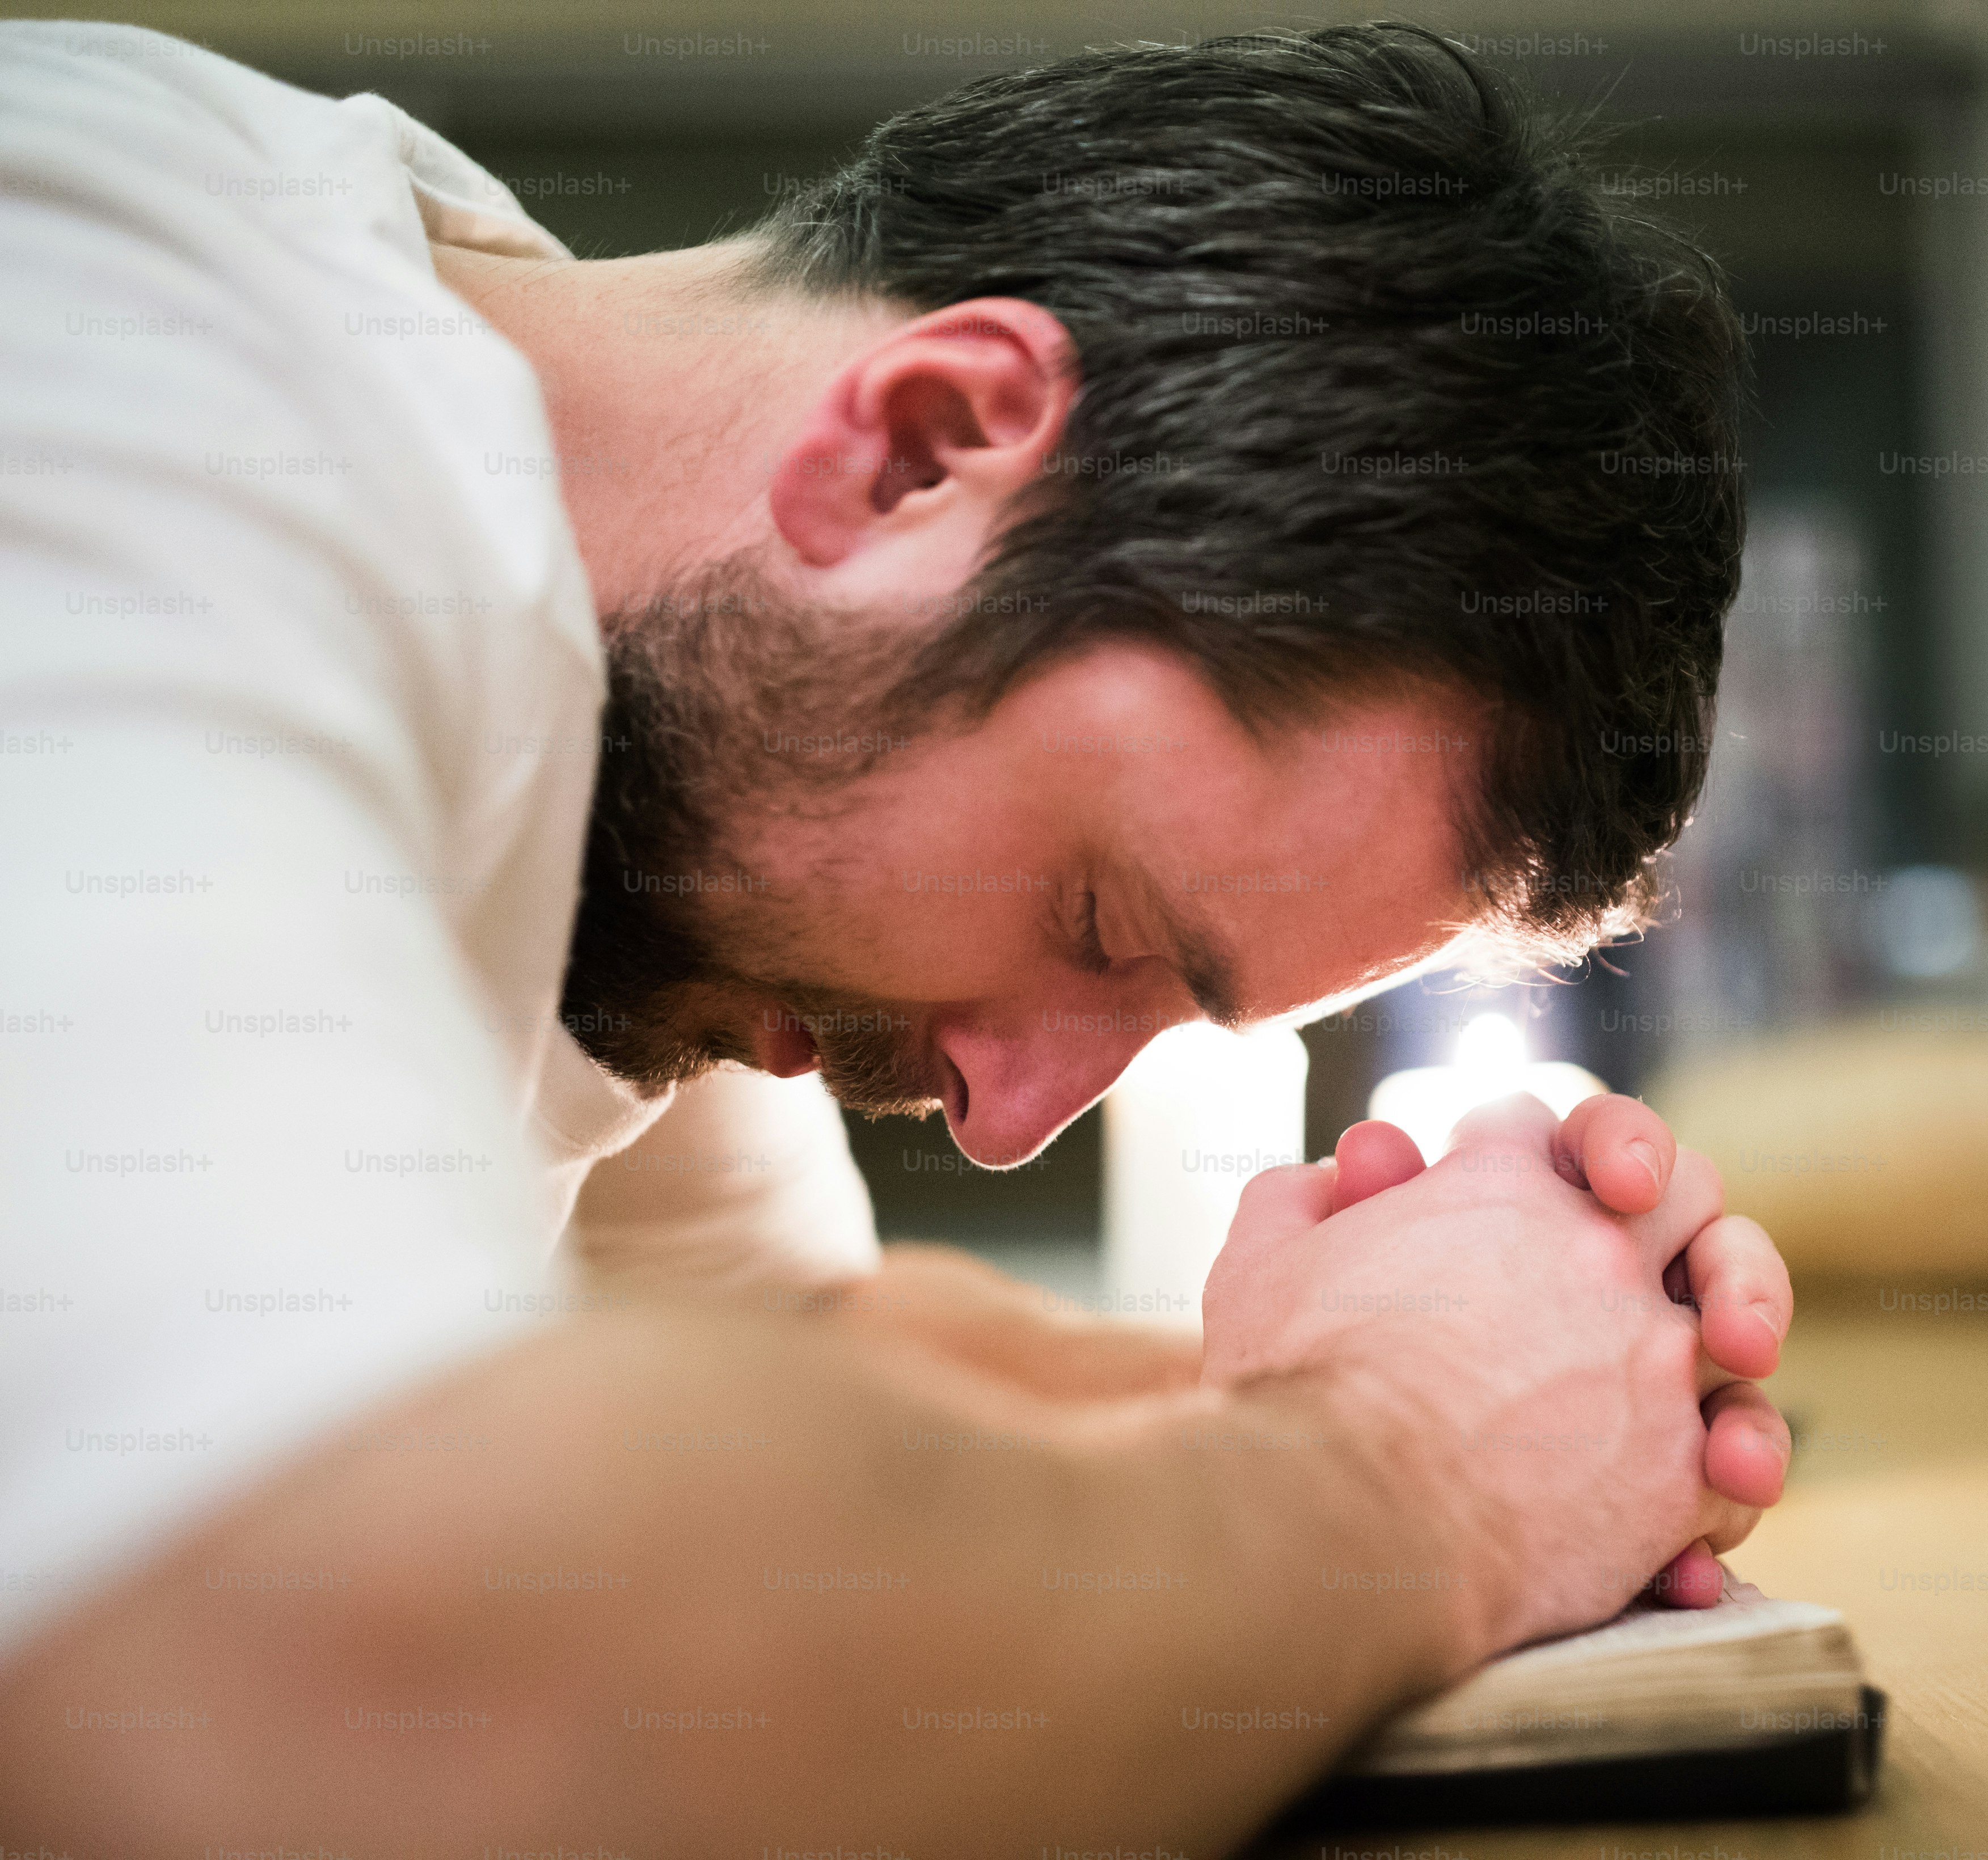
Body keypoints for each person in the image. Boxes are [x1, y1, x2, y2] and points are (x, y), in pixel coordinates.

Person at [0, 19, 1796, 1850]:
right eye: (1097, 917)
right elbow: (364, 1680)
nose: (1012, 1118)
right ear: (925, 449)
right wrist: (1422, 1477)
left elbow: (793, 1342)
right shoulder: (121, 375)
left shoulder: (608, 682)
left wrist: (1496, 1364)